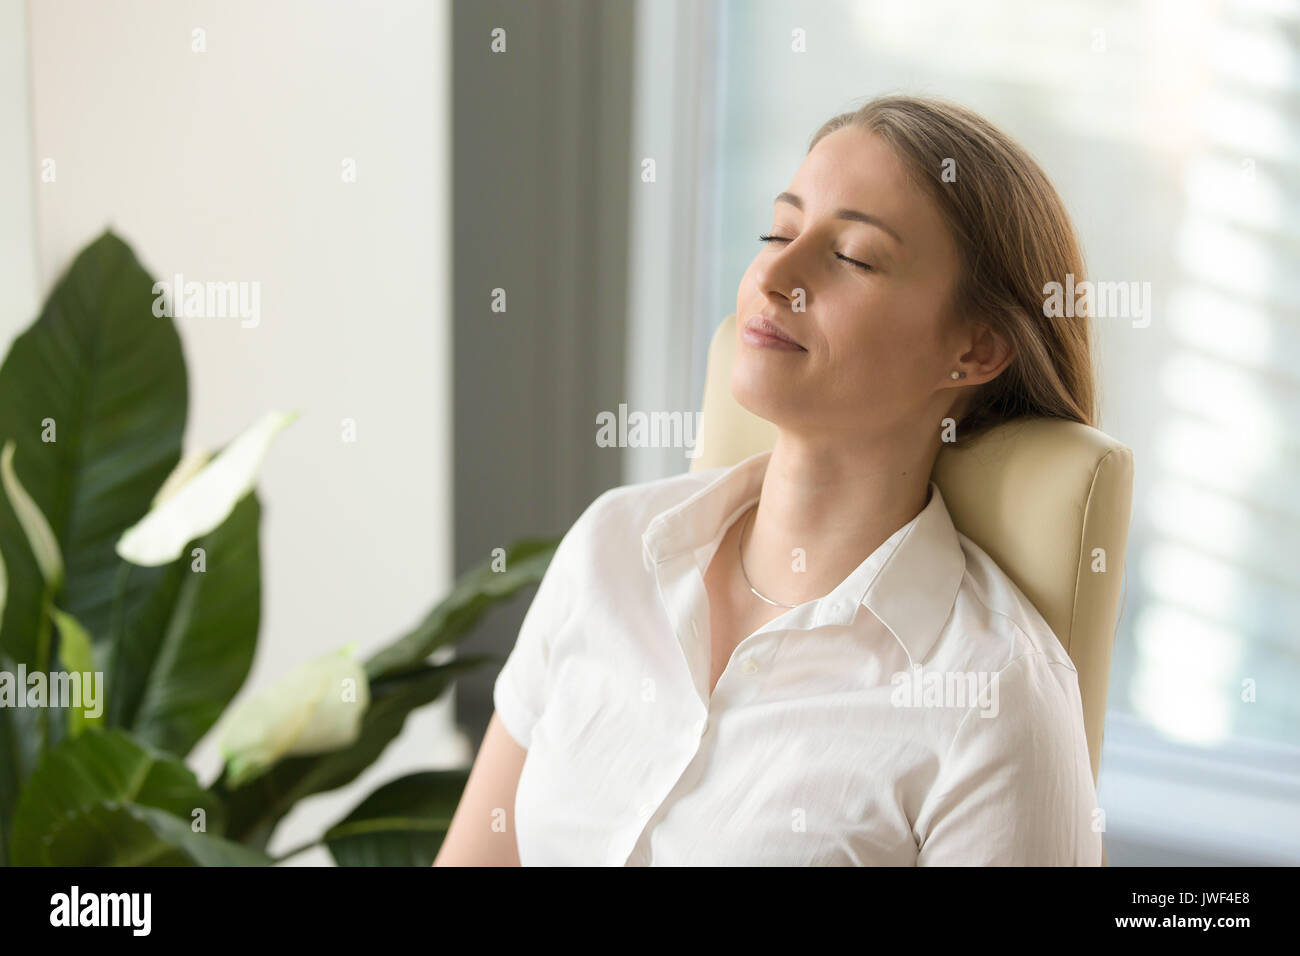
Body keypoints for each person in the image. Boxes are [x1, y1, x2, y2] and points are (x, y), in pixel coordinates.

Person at [435, 94, 1102, 866]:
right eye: (778, 232)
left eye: (851, 255)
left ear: (976, 349)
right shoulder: (613, 546)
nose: (775, 272)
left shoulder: (993, 699)